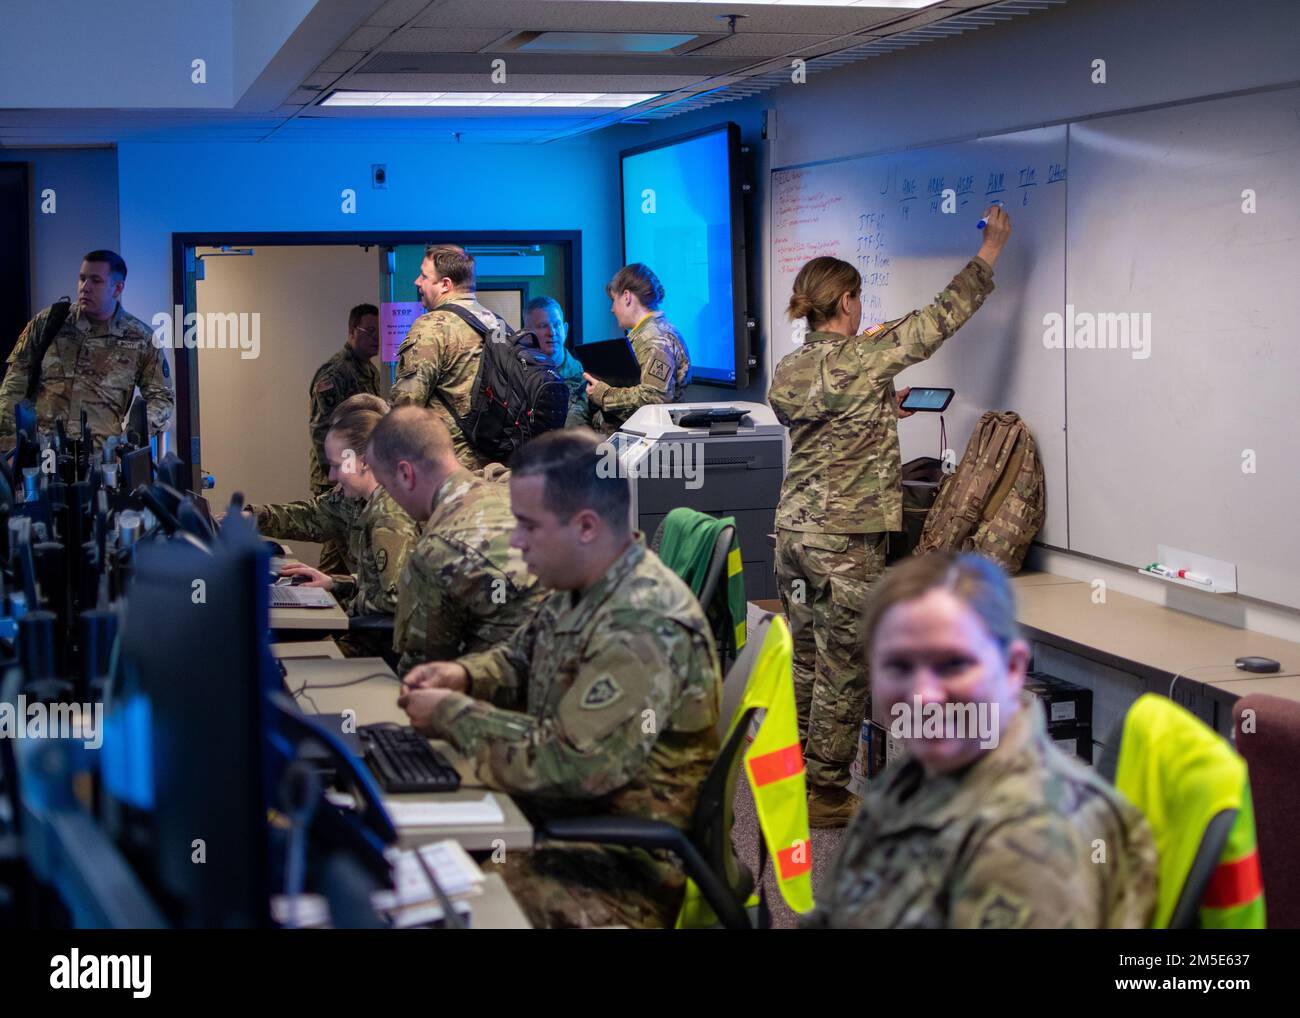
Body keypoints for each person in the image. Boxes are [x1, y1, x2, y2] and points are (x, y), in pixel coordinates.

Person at [396, 429, 722, 929]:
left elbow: (566, 761)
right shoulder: (580, 587)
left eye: (528, 525)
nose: (517, 540)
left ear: (586, 526)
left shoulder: (642, 624)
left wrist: (450, 714)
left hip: (614, 872)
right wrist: (462, 674)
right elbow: (519, 660)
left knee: (426, 914)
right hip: (556, 826)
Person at [767, 206, 1011, 827]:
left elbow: (827, 420)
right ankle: (824, 794)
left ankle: (794, 774)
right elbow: (935, 322)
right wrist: (987, 256)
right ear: (846, 300)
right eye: (857, 298)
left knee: (805, 659)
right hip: (844, 542)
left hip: (794, 534)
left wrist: (880, 407)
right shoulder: (861, 359)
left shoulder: (791, 368)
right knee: (845, 665)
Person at [803, 552, 1157, 929]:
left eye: (953, 665)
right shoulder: (919, 776)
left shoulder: (1033, 840)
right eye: (899, 666)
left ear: (1013, 667)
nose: (924, 696)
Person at [364, 405, 542, 675]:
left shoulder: (437, 550)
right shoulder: (516, 498)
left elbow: (423, 674)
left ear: (405, 474)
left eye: (387, 487)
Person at [241, 395, 419, 656]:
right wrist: (335, 584)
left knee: (273, 662)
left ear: (366, 461)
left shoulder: (388, 516)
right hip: (366, 638)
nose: (331, 476)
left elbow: (398, 600)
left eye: (337, 466)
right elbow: (383, 585)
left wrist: (345, 608)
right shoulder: (378, 502)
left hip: (377, 649)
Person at [0, 250, 173, 448]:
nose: (85, 288)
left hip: (101, 458)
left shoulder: (141, 338)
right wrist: (9, 444)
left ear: (117, 288)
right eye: (82, 279)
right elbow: (14, 383)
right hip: (43, 453)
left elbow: (162, 398)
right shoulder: (50, 322)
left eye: (96, 281)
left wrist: (129, 441)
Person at [390, 244, 507, 470]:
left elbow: (405, 408)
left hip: (451, 471)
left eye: (424, 276)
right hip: (499, 468)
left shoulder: (432, 326)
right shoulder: (498, 324)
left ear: (445, 285)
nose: (417, 282)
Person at [308, 303, 382, 575]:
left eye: (379, 332)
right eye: (369, 331)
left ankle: (326, 593)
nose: (376, 339)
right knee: (342, 545)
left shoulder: (369, 371)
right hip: (339, 473)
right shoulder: (335, 373)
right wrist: (336, 474)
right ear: (352, 331)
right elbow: (321, 431)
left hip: (358, 472)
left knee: (338, 551)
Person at [584, 263, 690, 433]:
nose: (612, 309)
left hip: (651, 445)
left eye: (614, 300)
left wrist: (603, 394)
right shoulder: (647, 335)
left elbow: (654, 398)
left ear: (626, 297)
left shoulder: (656, 339)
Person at [523, 295, 588, 428]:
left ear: (565, 329)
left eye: (556, 325)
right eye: (542, 326)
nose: (551, 332)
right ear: (527, 333)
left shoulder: (585, 375)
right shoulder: (518, 375)